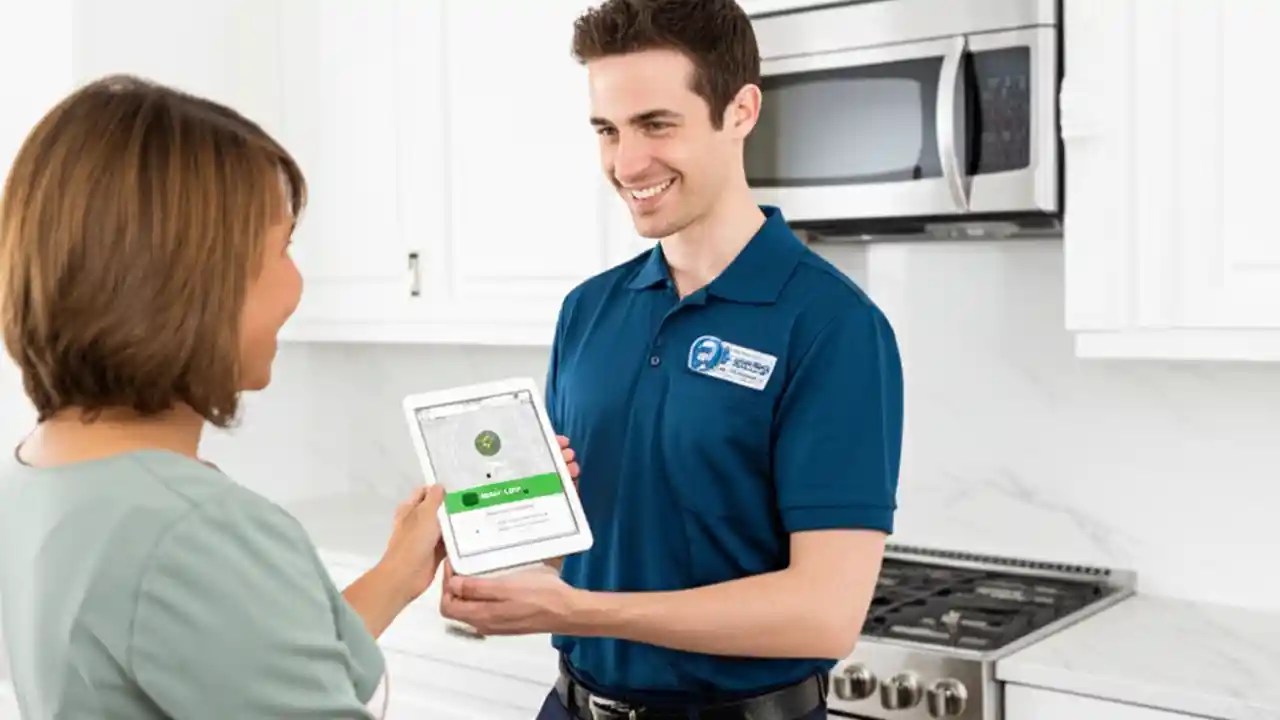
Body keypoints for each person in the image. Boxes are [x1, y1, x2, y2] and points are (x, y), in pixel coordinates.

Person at [0, 74, 578, 719]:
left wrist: (395, 573)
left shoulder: (41, 472)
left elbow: (241, 664)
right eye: (283, 248)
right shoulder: (195, 531)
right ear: (187, 279)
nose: (296, 283)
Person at [438, 1, 905, 719]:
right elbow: (585, 556)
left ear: (741, 111)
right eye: (607, 130)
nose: (627, 164)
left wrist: (586, 609)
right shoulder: (588, 312)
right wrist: (499, 559)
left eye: (657, 125)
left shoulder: (833, 327)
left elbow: (824, 614)